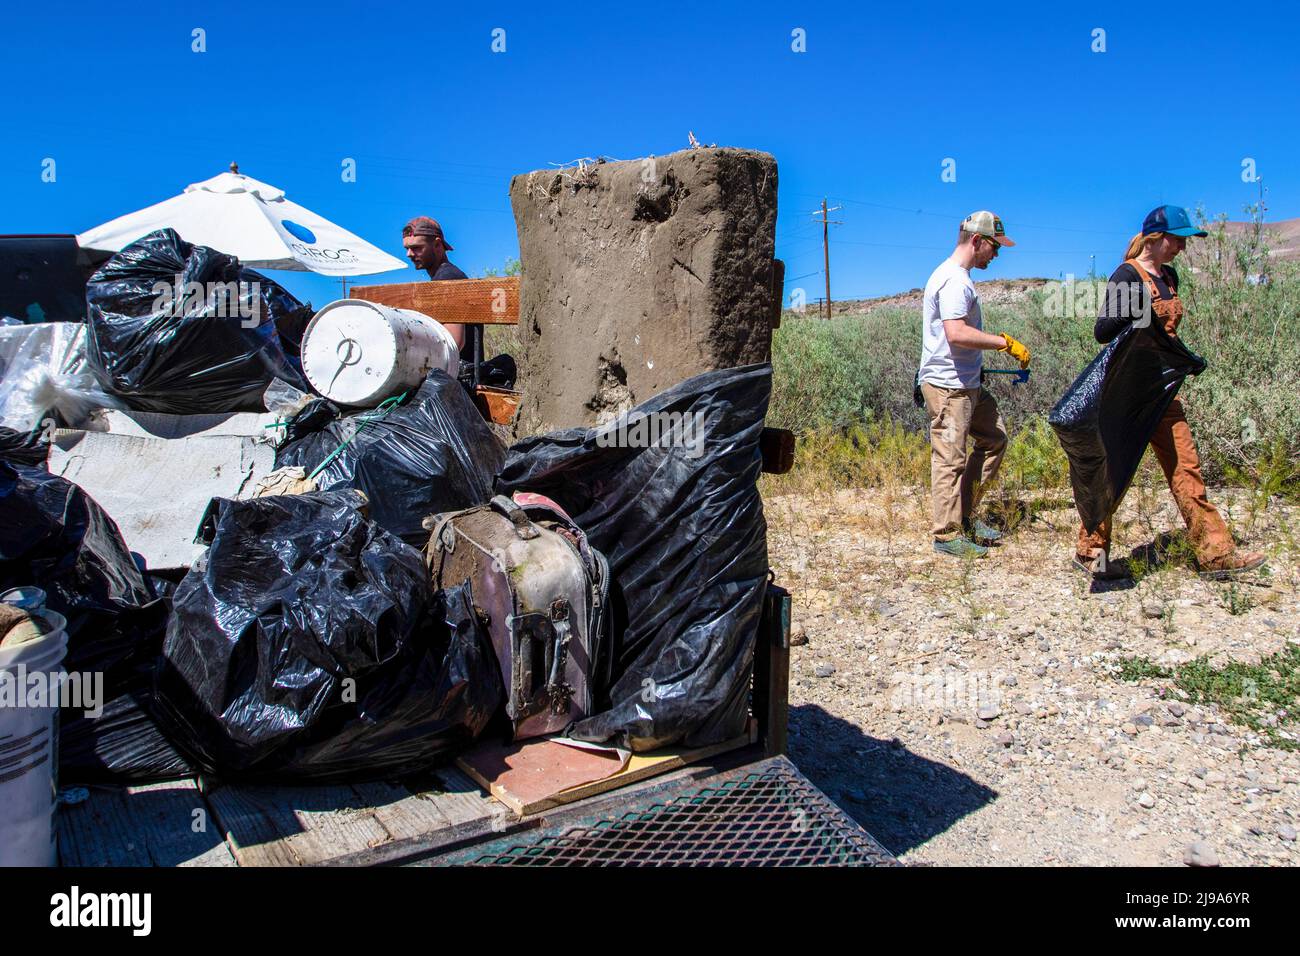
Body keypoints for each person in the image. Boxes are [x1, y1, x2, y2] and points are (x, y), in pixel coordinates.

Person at [1075, 205, 1264, 580]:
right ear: (1156, 238)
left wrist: (1185, 358)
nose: (1181, 247)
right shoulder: (1127, 275)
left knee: (1185, 466)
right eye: (1177, 239)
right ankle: (1090, 553)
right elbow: (1103, 331)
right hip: (1127, 396)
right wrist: (1137, 310)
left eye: (1183, 241)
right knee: (1113, 471)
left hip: (1163, 392)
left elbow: (1164, 335)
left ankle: (1215, 554)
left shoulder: (1170, 275)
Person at [918, 211, 1031, 558]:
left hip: (967, 384)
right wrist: (1003, 343)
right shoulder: (955, 280)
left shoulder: (957, 276)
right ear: (977, 241)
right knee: (950, 458)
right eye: (994, 247)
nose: (996, 255)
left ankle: (964, 516)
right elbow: (956, 333)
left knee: (994, 438)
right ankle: (947, 536)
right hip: (950, 387)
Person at [402, 216, 516, 389]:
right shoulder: (444, 277)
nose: (409, 254)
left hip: (457, 380)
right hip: (456, 377)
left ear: (438, 245)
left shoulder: (448, 279)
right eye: (408, 248)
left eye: (416, 248)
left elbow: (454, 342)